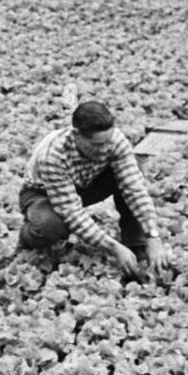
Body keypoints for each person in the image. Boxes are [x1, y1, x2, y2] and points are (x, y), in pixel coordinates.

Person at [18, 99, 171, 281]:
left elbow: (134, 188)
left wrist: (153, 236)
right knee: (49, 226)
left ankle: (136, 245)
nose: (105, 148)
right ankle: (27, 238)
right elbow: (71, 212)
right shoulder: (52, 156)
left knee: (131, 171)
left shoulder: (114, 140)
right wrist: (113, 248)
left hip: (86, 184)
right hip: (43, 193)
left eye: (108, 142)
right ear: (76, 135)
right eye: (98, 145)